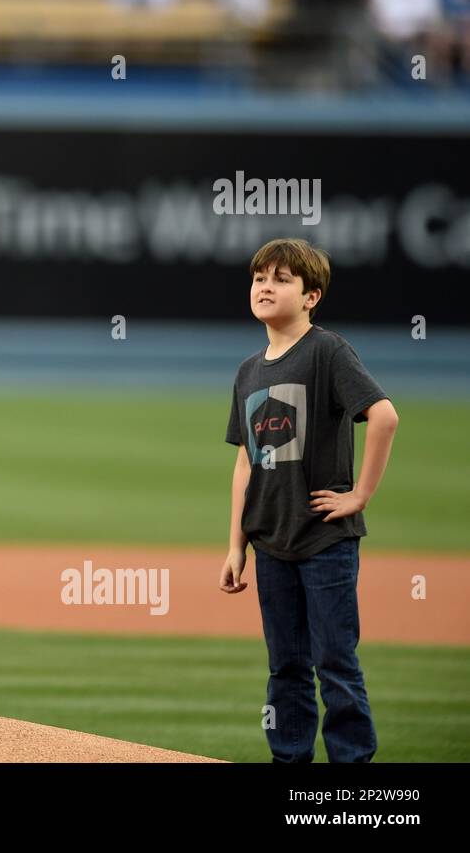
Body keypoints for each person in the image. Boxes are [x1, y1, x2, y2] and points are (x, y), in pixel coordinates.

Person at [220, 238, 399, 762]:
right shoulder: (249, 371)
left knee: (336, 664)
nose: (265, 287)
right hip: (271, 543)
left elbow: (384, 416)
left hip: (324, 539)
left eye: (281, 279)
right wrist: (237, 545)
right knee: (286, 669)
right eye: (259, 278)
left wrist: (359, 495)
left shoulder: (327, 351)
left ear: (311, 295)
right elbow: (245, 463)